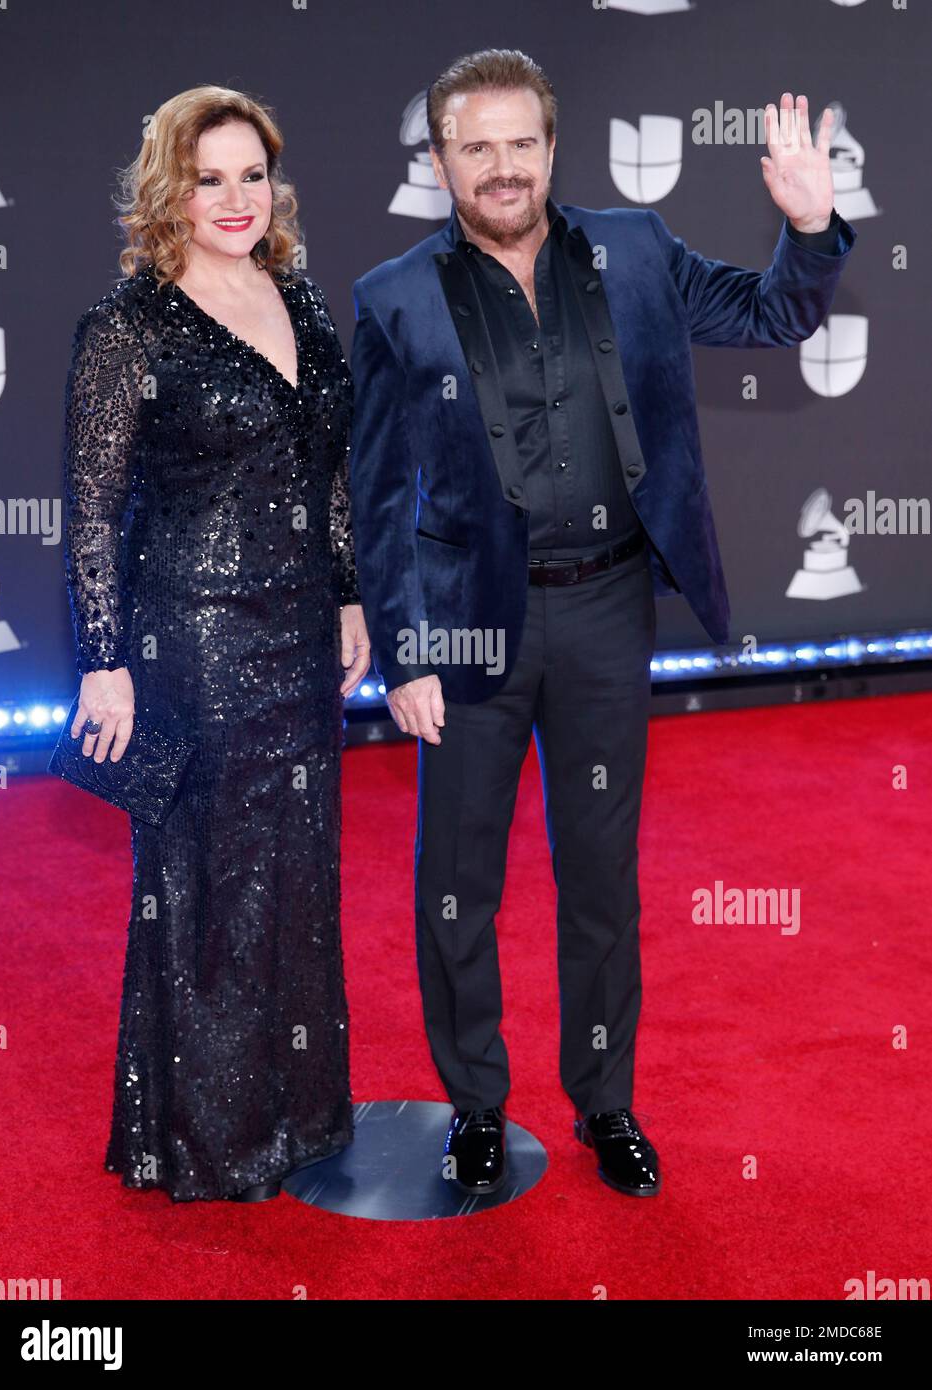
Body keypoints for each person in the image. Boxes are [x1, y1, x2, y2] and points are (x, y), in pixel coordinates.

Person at [348, 49, 855, 1197]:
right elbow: (373, 493)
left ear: (550, 146)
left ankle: (603, 1101)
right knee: (456, 881)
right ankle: (477, 1103)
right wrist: (407, 646)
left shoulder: (634, 250)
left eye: (520, 141)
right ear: (439, 162)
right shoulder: (392, 297)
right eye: (475, 146)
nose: (502, 166)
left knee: (600, 873)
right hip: (471, 628)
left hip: (607, 610)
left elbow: (776, 315)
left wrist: (812, 229)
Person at [62, 86, 370, 1203]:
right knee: (205, 883)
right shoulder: (129, 329)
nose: (236, 198)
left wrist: (344, 592)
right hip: (190, 642)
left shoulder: (300, 296)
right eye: (210, 179)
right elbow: (92, 510)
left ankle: (298, 1112)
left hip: (296, 636)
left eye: (253, 175)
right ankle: (208, 1138)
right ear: (168, 190)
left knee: (299, 873)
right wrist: (104, 662)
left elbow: (325, 465)